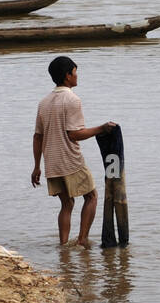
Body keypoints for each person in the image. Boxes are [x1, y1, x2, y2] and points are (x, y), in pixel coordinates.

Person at [31, 56, 115, 248]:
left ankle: (63, 248)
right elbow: (74, 134)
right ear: (67, 75)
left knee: (67, 204)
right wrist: (102, 128)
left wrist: (36, 167)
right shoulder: (72, 99)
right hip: (70, 160)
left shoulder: (44, 102)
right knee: (91, 196)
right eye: (75, 72)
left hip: (51, 161)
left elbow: (37, 137)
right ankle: (82, 239)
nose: (77, 76)